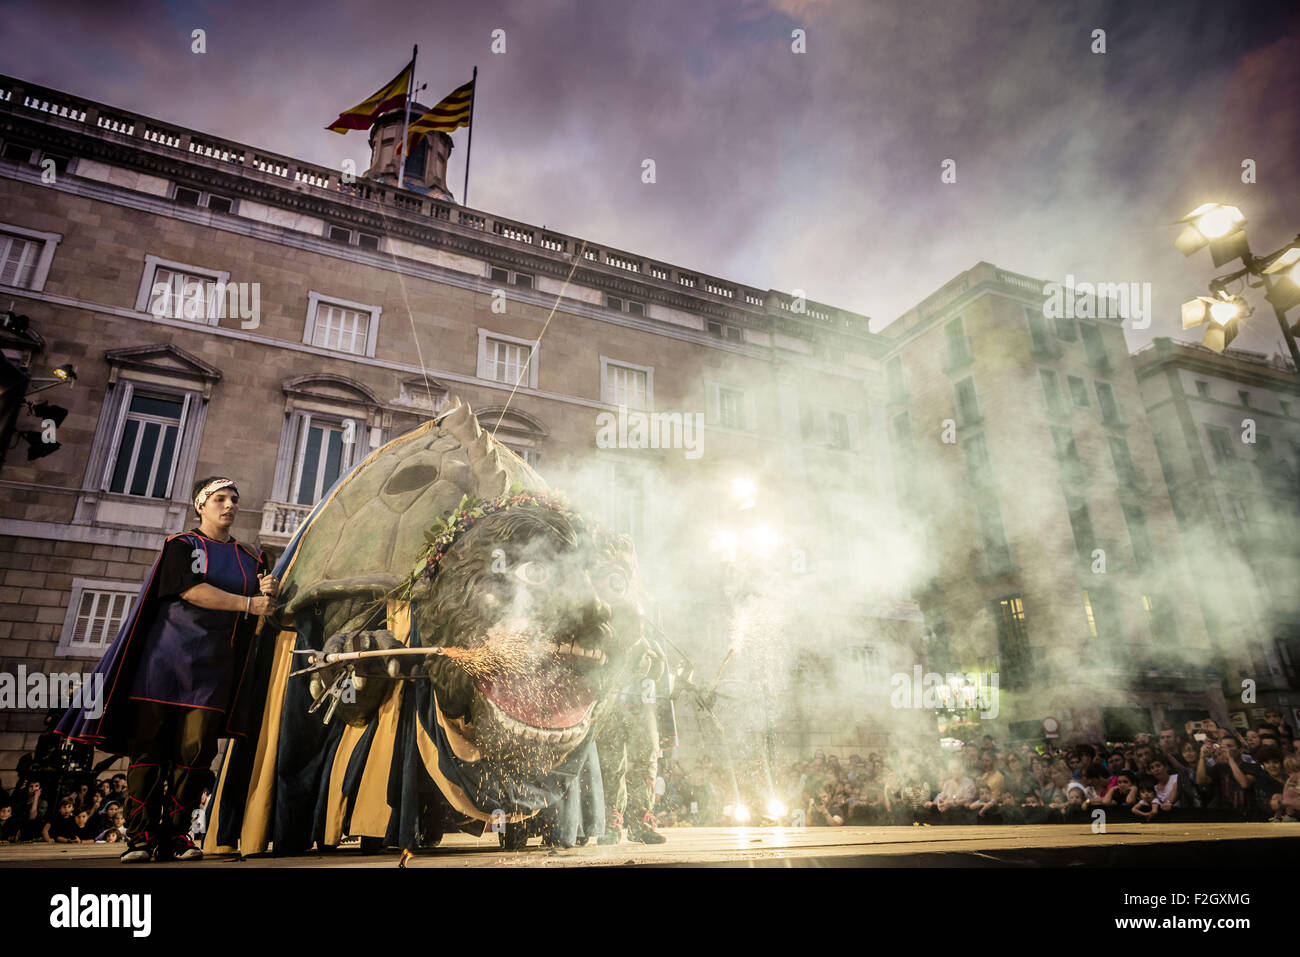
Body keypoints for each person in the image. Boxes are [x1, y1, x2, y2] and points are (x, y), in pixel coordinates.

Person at [56, 476, 275, 863]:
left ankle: (177, 836)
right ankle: (141, 838)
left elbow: (261, 609)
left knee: (196, 754)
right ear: (200, 505)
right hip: (162, 664)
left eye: (234, 499)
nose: (230, 505)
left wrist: (267, 595)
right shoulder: (183, 545)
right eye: (220, 498)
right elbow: (190, 590)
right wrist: (248, 603)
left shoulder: (251, 558)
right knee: (149, 751)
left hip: (213, 670)